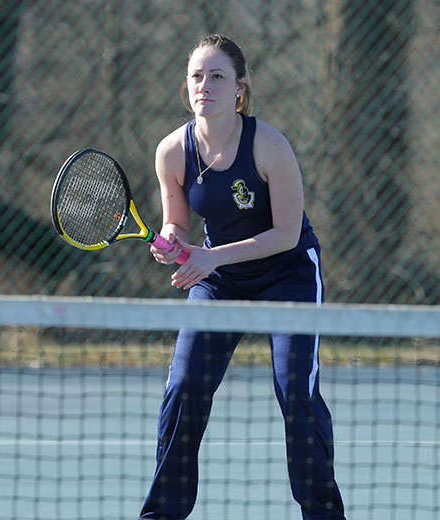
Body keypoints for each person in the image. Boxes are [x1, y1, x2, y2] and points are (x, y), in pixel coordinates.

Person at [140, 34, 346, 520]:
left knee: (295, 389)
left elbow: (286, 233)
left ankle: (322, 514)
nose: (204, 85)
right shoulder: (172, 152)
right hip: (221, 280)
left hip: (289, 272)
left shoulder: (269, 145)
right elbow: (178, 223)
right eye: (196, 76)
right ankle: (162, 514)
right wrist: (172, 242)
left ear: (239, 88)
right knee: (184, 385)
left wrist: (210, 258)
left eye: (217, 76)